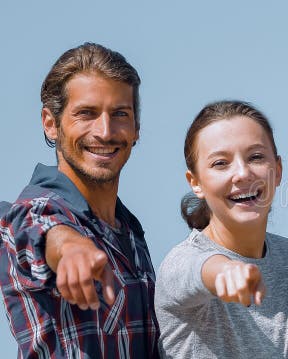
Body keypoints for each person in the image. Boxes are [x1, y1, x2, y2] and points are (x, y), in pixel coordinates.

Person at [0, 43, 160, 357]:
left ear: (136, 128)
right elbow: (33, 225)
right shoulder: (34, 210)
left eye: (120, 114)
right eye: (86, 114)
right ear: (50, 122)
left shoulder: (130, 233)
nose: (104, 131)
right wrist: (70, 247)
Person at [154, 101, 288, 358]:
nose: (242, 174)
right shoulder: (181, 261)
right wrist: (226, 271)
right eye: (221, 163)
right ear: (196, 182)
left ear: (277, 171)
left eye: (255, 157)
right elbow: (199, 271)